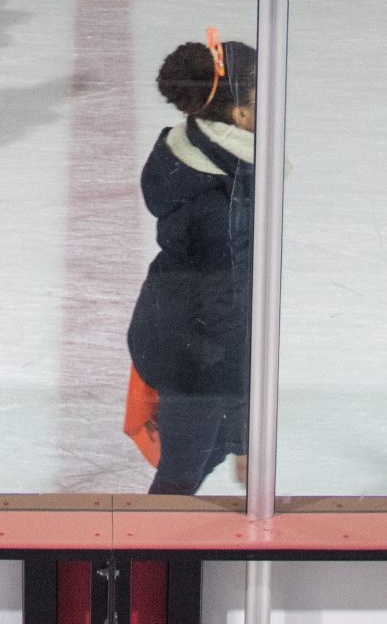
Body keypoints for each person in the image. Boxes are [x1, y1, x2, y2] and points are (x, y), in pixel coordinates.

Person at [125, 33, 256, 497]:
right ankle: (146, 544)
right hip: (194, 360)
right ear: (239, 115)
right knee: (179, 478)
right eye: (262, 97)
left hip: (172, 327)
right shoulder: (220, 206)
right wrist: (244, 435)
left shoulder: (194, 151)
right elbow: (228, 317)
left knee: (200, 455)